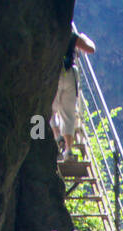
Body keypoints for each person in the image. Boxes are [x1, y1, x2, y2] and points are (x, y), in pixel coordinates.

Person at [51, 24, 96, 158]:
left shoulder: (48, 33)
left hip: (53, 74)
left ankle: (56, 136)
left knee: (48, 109)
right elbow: (90, 49)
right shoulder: (71, 36)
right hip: (70, 74)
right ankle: (69, 150)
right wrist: (85, 38)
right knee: (68, 114)